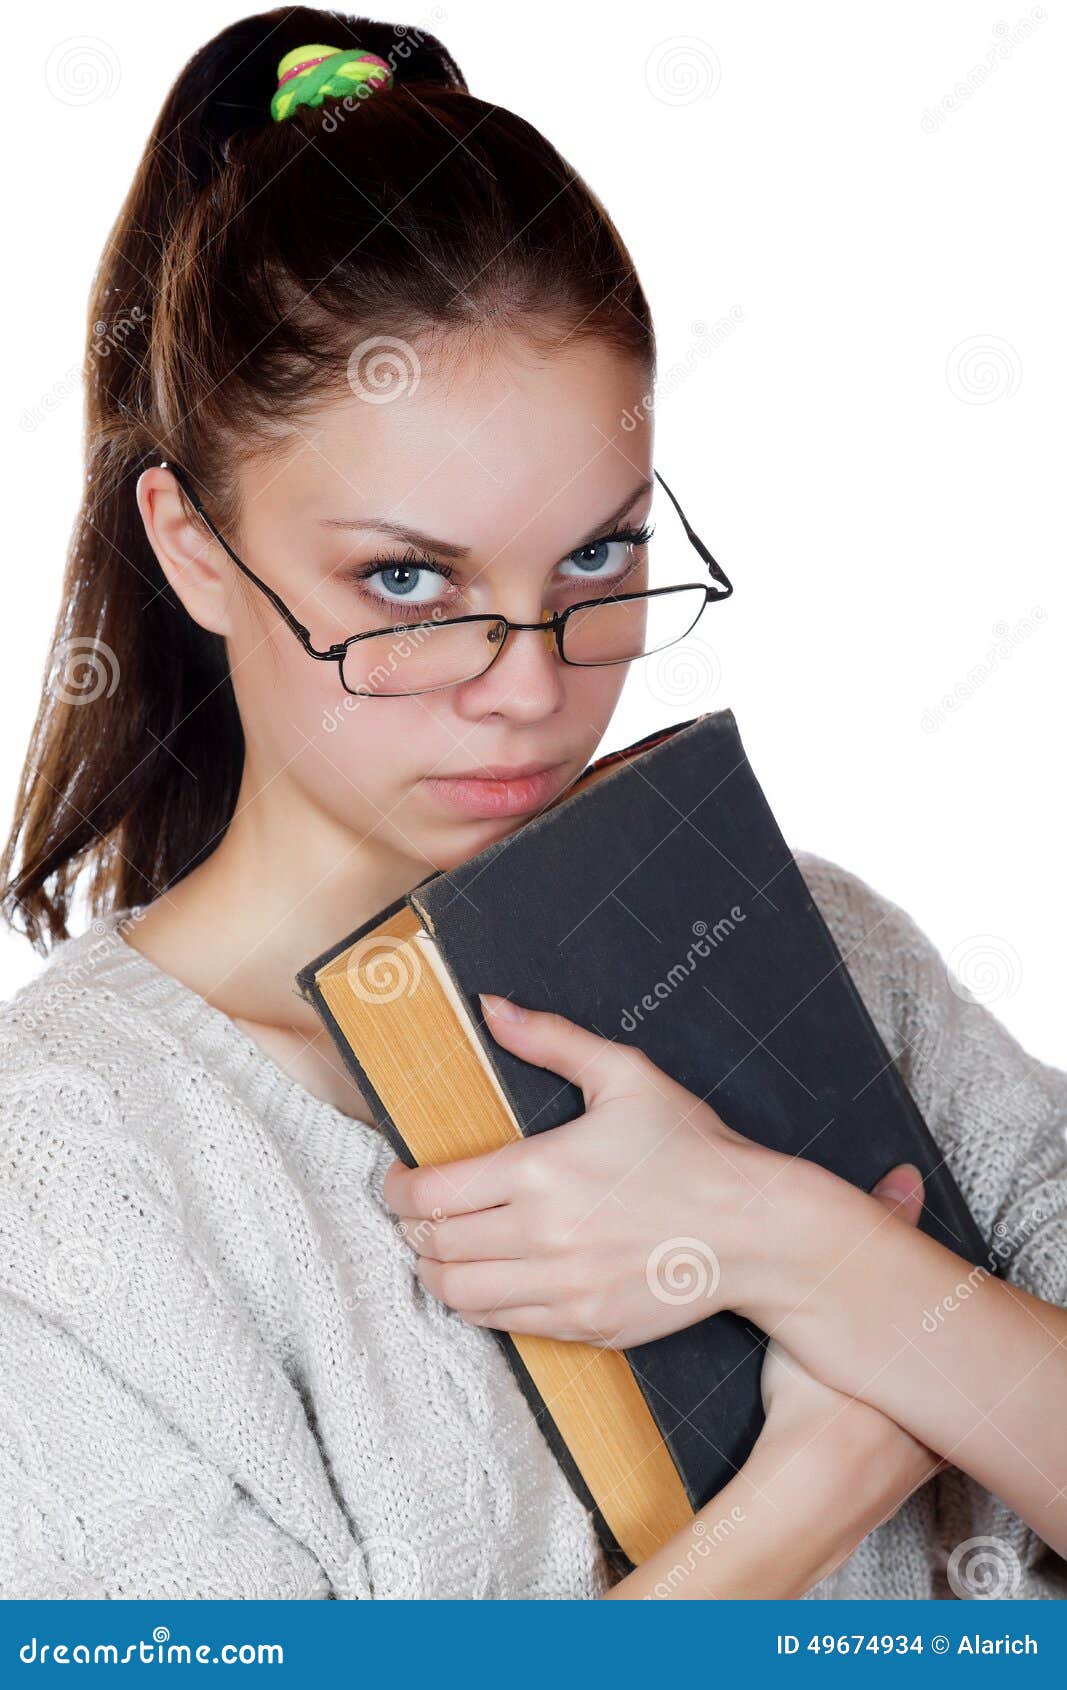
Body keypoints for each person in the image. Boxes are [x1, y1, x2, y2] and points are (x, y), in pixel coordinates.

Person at [0, 10, 1063, 1602]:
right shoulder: (76, 1169)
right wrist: (814, 1485)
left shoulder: (823, 936)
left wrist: (792, 1240)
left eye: (594, 558)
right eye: (409, 579)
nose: (526, 684)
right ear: (194, 545)